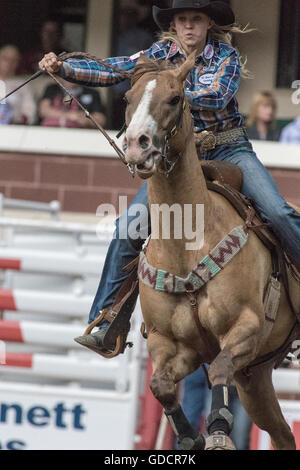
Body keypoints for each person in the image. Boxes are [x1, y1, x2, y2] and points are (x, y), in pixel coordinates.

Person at [38, 0, 300, 357]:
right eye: (182, 20)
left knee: (280, 213)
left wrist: (165, 92)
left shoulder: (226, 56)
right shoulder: (158, 53)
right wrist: (65, 66)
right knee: (128, 226)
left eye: (195, 20)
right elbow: (114, 69)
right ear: (174, 25)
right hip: (178, 158)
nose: (189, 27)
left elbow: (217, 95)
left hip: (228, 149)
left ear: (209, 22)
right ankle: (105, 320)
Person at [39, 79, 106, 129]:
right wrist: (69, 116)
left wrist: (85, 119)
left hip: (81, 134)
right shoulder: (52, 88)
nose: (70, 77)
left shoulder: (92, 93)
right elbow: (43, 111)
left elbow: (101, 120)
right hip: (52, 131)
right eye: (67, 73)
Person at [0, 45, 36, 125]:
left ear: (17, 63)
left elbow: (30, 114)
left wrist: (13, 119)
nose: (9, 63)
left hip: (14, 129)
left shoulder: (23, 84)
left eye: (13, 60)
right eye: (5, 58)